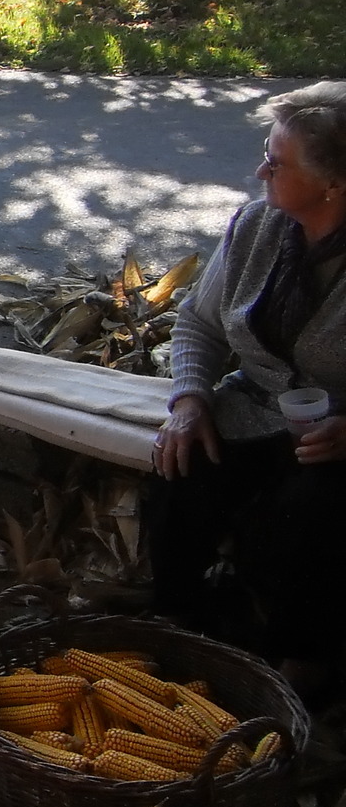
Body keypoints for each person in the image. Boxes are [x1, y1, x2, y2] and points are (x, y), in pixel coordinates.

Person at [150, 81, 346, 691]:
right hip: (255, 404)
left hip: (335, 434)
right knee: (178, 469)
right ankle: (179, 626)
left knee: (311, 513)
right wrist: (189, 399)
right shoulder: (258, 225)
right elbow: (198, 324)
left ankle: (302, 669)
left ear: (333, 186)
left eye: (277, 163)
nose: (260, 169)